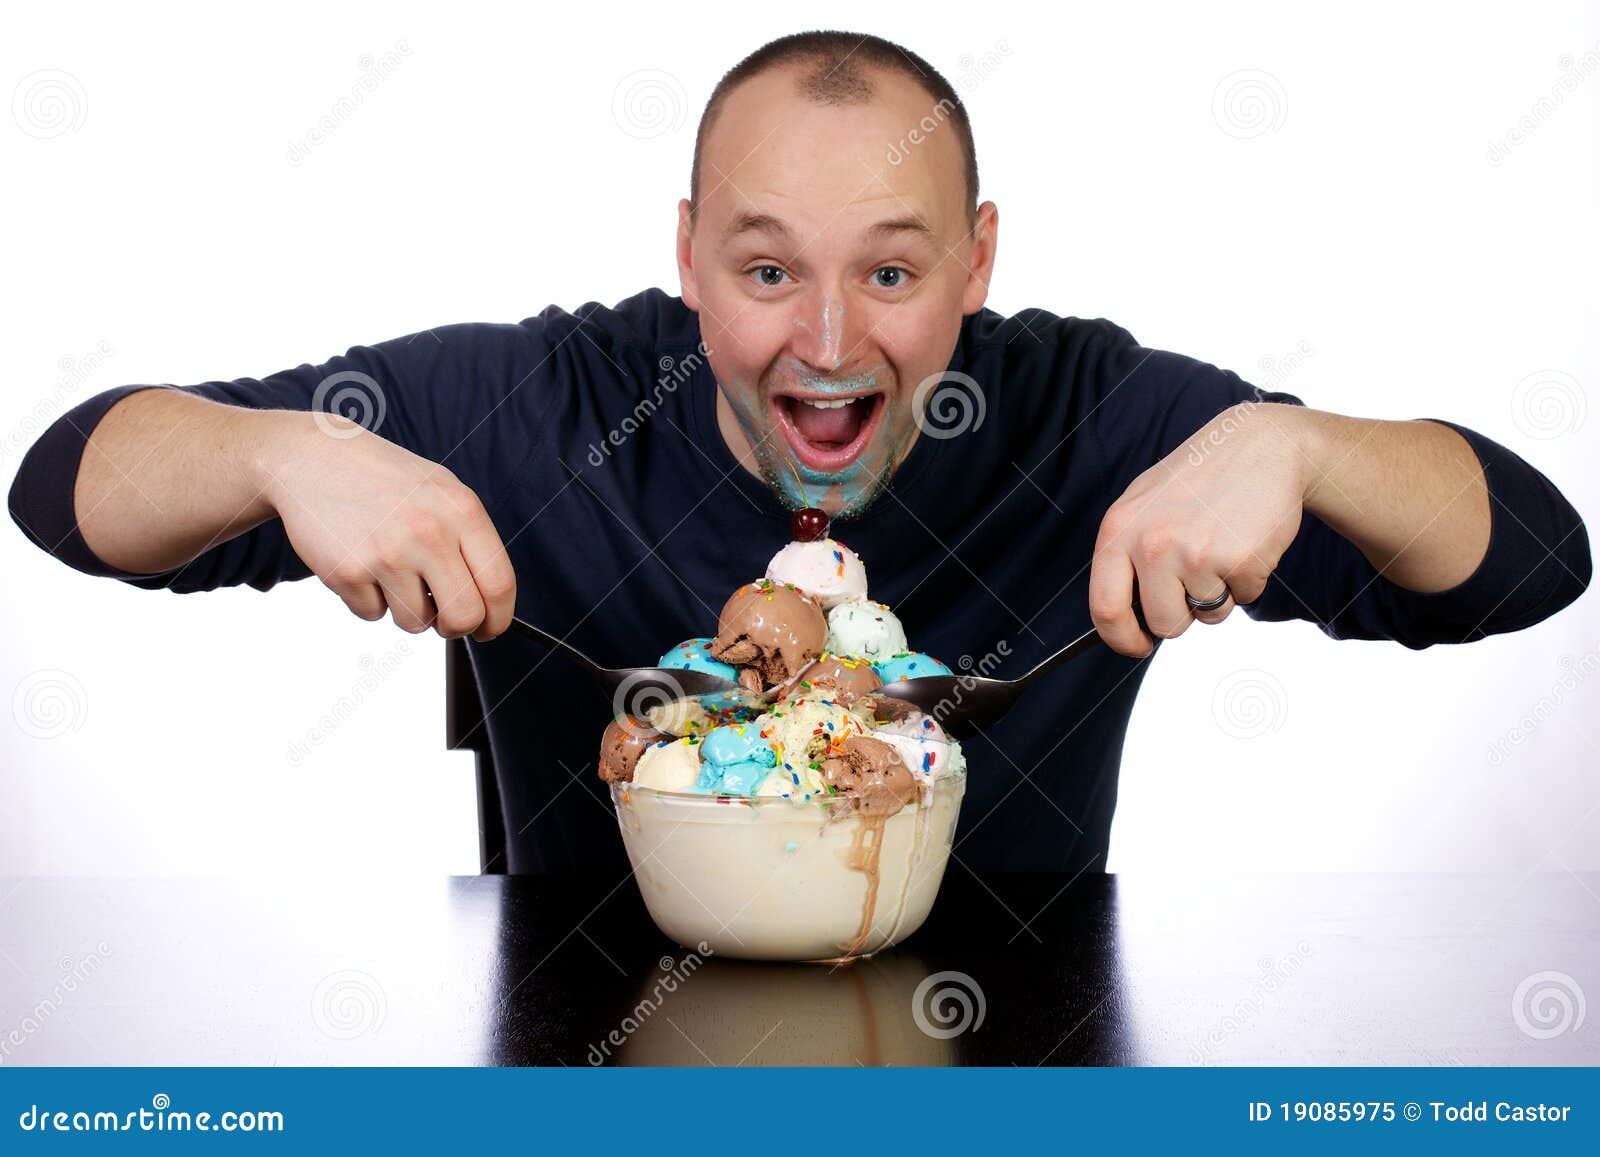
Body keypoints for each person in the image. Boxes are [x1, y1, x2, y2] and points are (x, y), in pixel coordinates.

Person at [8, 31, 1590, 877]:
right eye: (766, 271)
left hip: (1008, 1073)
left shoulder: (1093, 423)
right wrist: (282, 449)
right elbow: (68, 487)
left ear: (978, 261)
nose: (828, 342)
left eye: (892, 273)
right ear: (688, 254)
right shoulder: (544, 406)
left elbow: (1528, 559)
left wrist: (1299, 443)